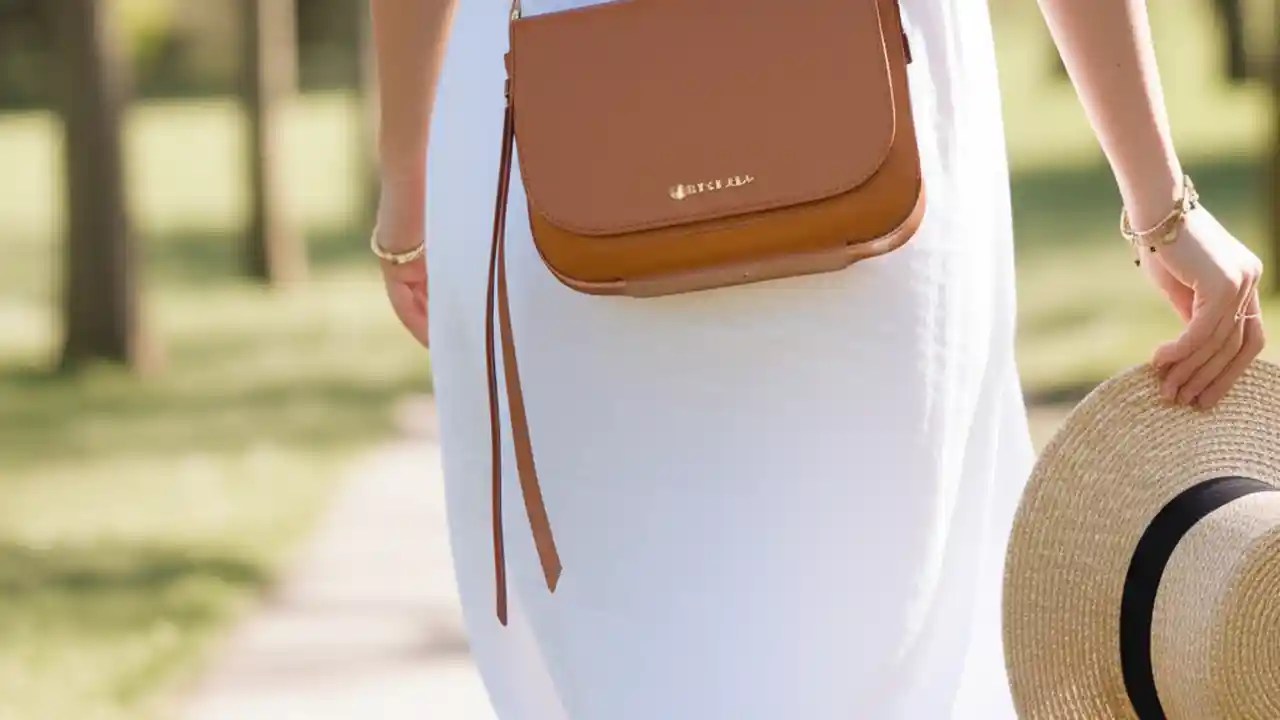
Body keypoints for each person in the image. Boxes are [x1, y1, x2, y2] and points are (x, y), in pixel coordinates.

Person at [367, 0, 1266, 717]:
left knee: (627, 655)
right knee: (869, 648)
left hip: (562, 129)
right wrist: (1160, 204)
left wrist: (407, 187)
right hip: (860, 115)